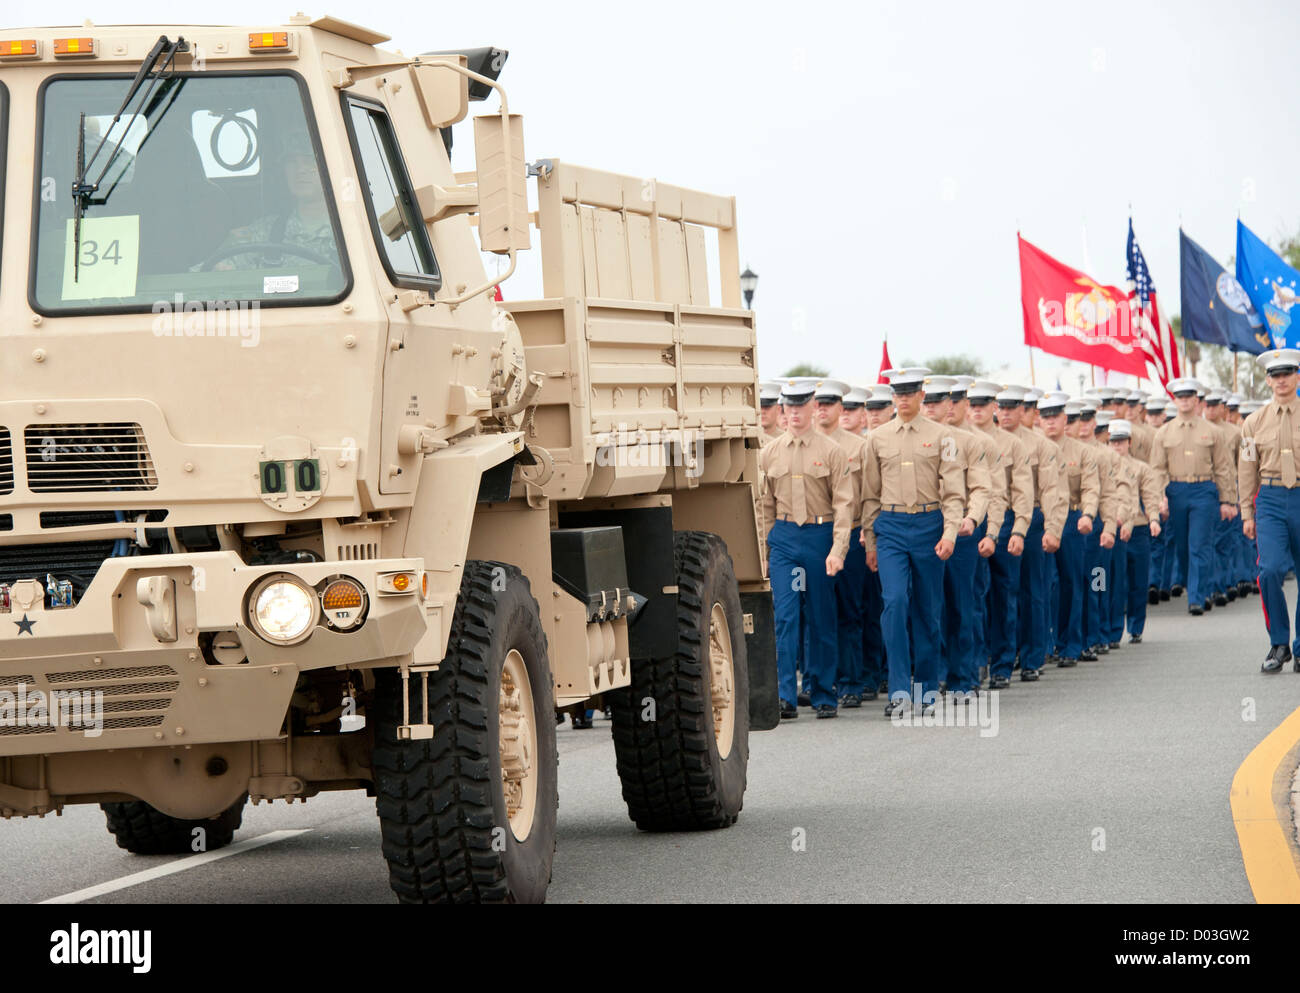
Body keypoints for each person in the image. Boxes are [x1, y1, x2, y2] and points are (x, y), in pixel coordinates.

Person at [861, 367, 967, 715]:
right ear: (892, 397)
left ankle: (925, 689)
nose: (903, 399)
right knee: (894, 603)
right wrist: (871, 540)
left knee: (927, 611)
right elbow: (870, 496)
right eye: (898, 393)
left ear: (922, 395)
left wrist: (950, 532)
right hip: (890, 527)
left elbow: (953, 492)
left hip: (929, 525)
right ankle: (898, 691)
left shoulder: (942, 437)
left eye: (909, 393)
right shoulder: (877, 438)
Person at [759, 379, 854, 719]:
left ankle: (824, 692)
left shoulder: (831, 451)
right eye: (790, 407)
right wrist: (765, 553)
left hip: (819, 535)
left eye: (802, 406)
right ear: (783, 410)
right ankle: (785, 693)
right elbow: (765, 506)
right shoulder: (769, 452)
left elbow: (844, 504)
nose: (795, 413)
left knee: (820, 616)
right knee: (785, 617)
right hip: (784, 538)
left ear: (813, 408)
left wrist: (838, 549)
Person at [921, 376, 992, 697]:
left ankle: (963, 676)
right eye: (928, 402)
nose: (932, 408)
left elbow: (980, 487)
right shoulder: (909, 439)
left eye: (938, 402)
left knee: (961, 605)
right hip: (922, 528)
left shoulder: (968, 442)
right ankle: (934, 673)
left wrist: (973, 517)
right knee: (927, 606)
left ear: (951, 404)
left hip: (960, 531)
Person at [1150, 377, 1236, 616]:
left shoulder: (1212, 431)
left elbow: (1223, 467)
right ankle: (1198, 587)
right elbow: (1156, 469)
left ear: (1197, 400)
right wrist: (1159, 497)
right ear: (1175, 400)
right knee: (1182, 546)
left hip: (1203, 490)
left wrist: (1227, 500)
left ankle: (1197, 598)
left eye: (1189, 397)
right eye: (1180, 397)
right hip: (1176, 491)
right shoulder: (1163, 433)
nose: (1185, 401)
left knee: (1200, 543)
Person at [1239, 350, 1300, 672]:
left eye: (1287, 373)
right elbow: (1247, 468)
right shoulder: (1253, 423)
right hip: (1271, 498)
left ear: (1297, 376)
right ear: (1268, 380)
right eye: (1276, 375)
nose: (1281, 380)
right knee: (1270, 570)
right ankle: (1279, 643)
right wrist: (1247, 513)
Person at [969, 381, 1033, 689]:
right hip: (971, 523)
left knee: (1005, 596)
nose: (976, 410)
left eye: (983, 405)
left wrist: (1020, 529)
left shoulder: (1012, 444)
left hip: (1004, 523)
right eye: (972, 405)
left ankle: (1003, 664)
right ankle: (978, 659)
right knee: (974, 597)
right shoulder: (959, 440)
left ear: (994, 407)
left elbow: (1022, 490)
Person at [813, 380, 871, 708]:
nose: (823, 409)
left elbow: (870, 493)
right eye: (818, 404)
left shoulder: (857, 446)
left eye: (830, 403)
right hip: (815, 536)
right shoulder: (804, 444)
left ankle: (852, 680)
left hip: (852, 533)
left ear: (841, 407)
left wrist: (869, 532)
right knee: (819, 613)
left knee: (851, 610)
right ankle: (821, 680)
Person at [209, 129, 340, 271]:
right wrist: (219, 271)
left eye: (310, 161)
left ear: (330, 167)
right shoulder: (264, 231)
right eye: (292, 162)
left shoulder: (352, 233)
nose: (300, 169)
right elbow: (204, 274)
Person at [1008, 385, 1066, 681]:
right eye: (1001, 408)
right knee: (1005, 593)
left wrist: (1052, 528)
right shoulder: (989, 440)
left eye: (1014, 408)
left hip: (1031, 519)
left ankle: (1033, 656)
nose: (1006, 414)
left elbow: (1051, 491)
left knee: (1035, 591)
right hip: (999, 520)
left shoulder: (1043, 446)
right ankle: (1007, 652)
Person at [1039, 395, 1099, 667]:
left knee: (1071, 583)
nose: (1050, 422)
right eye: (1045, 417)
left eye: (1055, 416)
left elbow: (1090, 487)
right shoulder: (1032, 447)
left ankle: (1070, 645)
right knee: (1040, 585)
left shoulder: (1081, 451)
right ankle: (1043, 643)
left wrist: (1087, 514)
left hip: (1072, 520)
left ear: (1065, 419)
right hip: (1038, 517)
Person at [1108, 419, 1163, 643]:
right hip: (1110, 531)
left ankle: (1136, 626)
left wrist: (1154, 519)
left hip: (1138, 531)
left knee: (1137, 581)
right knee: (1105, 581)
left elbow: (1150, 496)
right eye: (1113, 442)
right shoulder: (1102, 464)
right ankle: (1109, 630)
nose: (1117, 446)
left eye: (1121, 442)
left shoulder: (1141, 468)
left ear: (1129, 442)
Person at [860, 385, 894, 697]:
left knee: (894, 604)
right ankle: (872, 672)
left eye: (879, 409)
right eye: (869, 409)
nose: (873, 415)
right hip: (868, 535)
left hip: (897, 531)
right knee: (869, 609)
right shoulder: (862, 444)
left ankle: (891, 671)